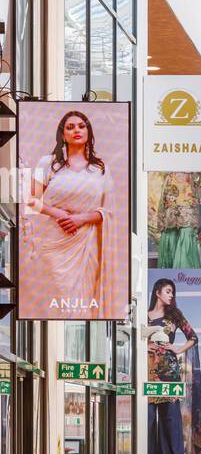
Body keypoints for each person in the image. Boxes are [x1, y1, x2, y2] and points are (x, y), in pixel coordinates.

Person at [24, 108, 117, 320]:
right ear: (62, 134)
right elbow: (30, 200)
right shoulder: (46, 163)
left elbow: (109, 212)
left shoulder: (101, 169)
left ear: (88, 132)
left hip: (86, 244)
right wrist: (58, 213)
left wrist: (79, 219)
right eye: (70, 127)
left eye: (81, 126)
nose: (76, 130)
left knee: (82, 303)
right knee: (58, 298)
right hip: (54, 244)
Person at [146, 278, 201, 454]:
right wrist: (144, 347)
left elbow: (193, 337)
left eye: (173, 292)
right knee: (146, 418)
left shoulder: (175, 316)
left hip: (170, 372)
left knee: (171, 418)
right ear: (157, 292)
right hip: (147, 371)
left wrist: (178, 349)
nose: (171, 295)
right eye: (168, 291)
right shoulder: (144, 316)